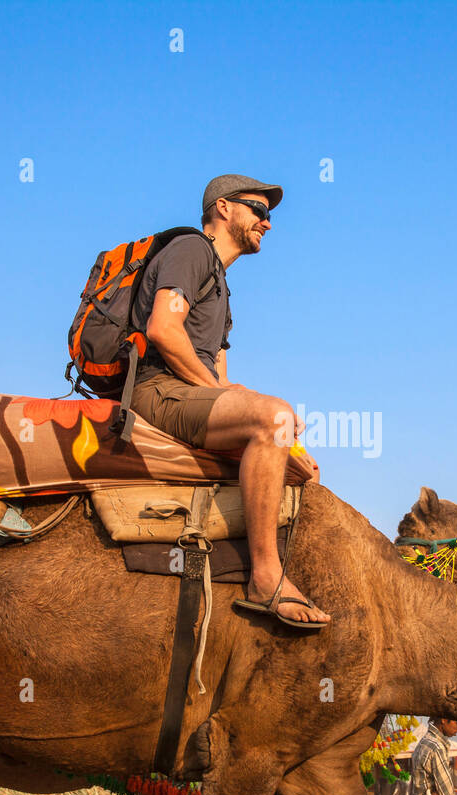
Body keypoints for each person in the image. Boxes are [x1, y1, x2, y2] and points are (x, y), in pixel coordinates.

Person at [130, 174, 329, 630]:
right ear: (223, 208)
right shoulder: (191, 250)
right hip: (159, 389)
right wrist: (248, 406)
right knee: (274, 417)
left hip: (187, 390)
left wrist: (287, 443)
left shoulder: (221, 285)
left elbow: (221, 378)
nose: (268, 223)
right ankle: (265, 578)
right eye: (259, 211)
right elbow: (163, 329)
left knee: (299, 458)